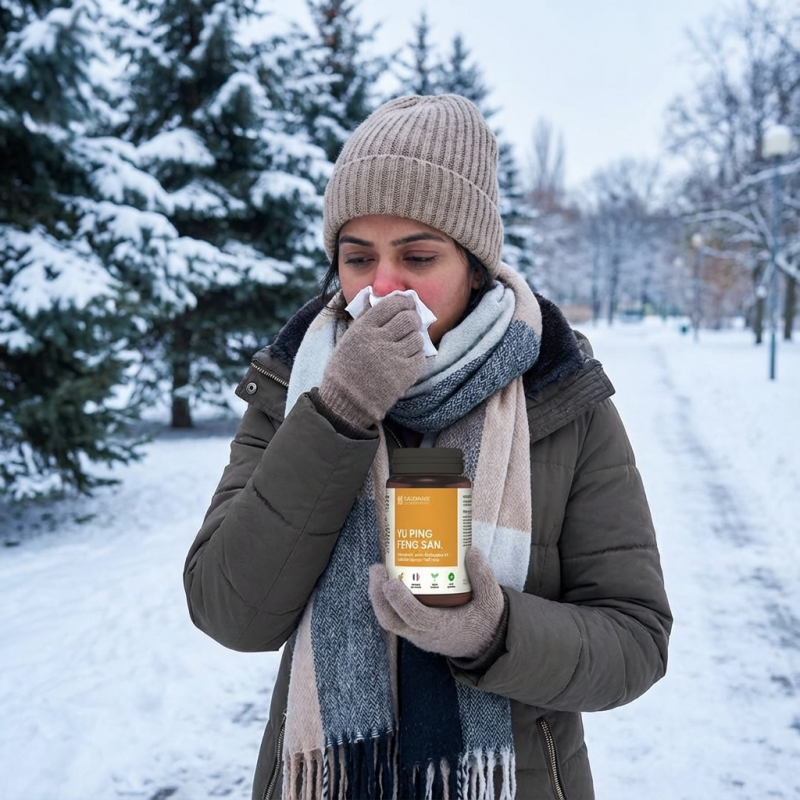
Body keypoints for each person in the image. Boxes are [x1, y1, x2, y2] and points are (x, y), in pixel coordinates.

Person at [183, 94, 672, 800]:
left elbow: (634, 642)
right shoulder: (297, 388)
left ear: (475, 267)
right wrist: (339, 413)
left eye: (417, 255)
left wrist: (495, 630)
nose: (382, 288)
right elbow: (231, 611)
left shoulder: (560, 397)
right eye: (358, 258)